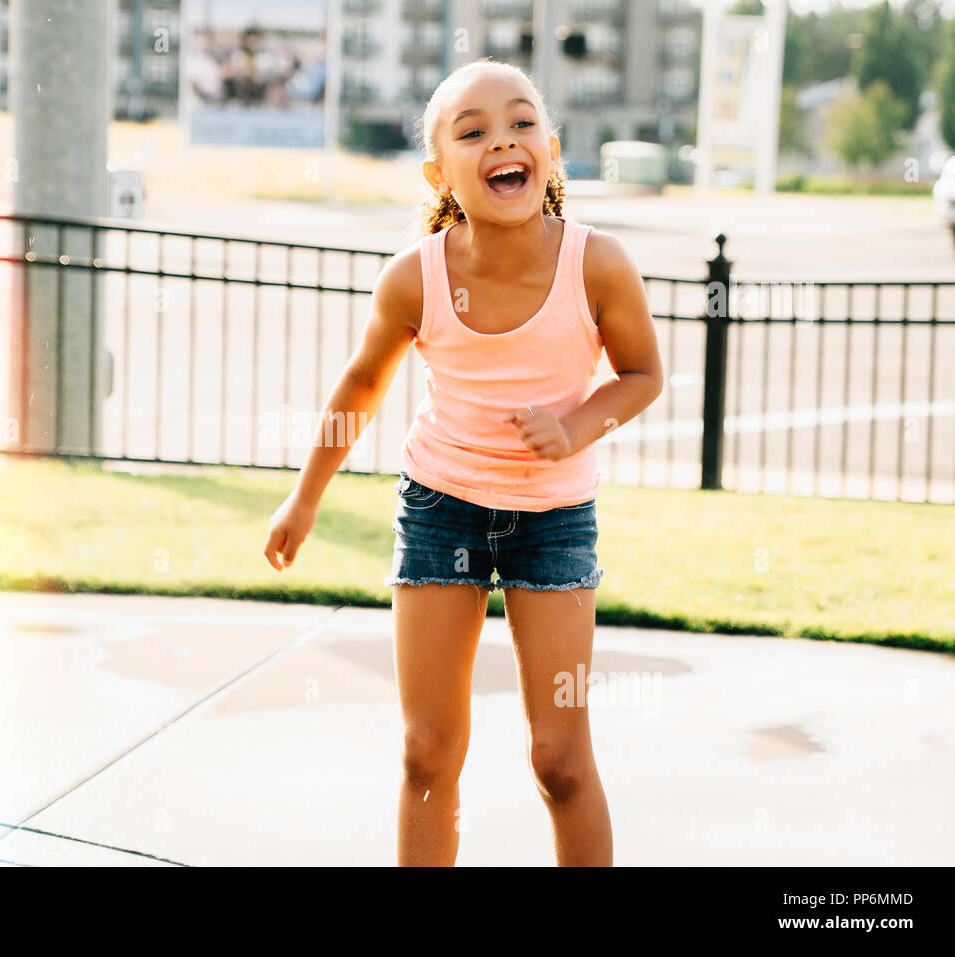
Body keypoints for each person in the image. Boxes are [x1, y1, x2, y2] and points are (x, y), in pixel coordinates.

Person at [262, 59, 663, 866]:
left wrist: (578, 423)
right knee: (426, 751)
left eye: (519, 125)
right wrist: (304, 498)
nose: (501, 141)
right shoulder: (417, 277)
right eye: (472, 131)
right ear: (439, 171)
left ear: (548, 150)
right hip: (440, 509)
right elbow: (363, 383)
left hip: (553, 526)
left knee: (560, 759)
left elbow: (643, 374)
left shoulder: (598, 264)